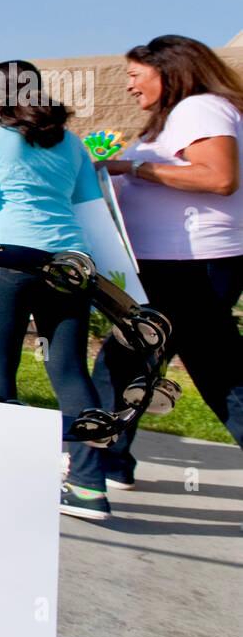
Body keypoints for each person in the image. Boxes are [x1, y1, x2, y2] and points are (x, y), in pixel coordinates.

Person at [0, 61, 115, 520]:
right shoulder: (72, 141)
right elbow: (87, 202)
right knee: (69, 368)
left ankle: (5, 481)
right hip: (70, 263)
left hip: (7, 257)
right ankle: (89, 488)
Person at [92, 35, 243, 475]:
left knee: (216, 370)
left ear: (169, 71)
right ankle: (105, 464)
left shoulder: (199, 107)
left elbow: (218, 178)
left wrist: (130, 168)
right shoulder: (186, 113)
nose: (128, 86)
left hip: (189, 266)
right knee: (132, 361)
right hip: (178, 264)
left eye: (135, 75)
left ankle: (95, 467)